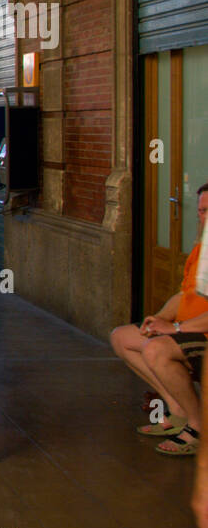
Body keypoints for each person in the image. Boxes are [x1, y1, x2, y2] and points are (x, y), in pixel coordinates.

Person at [112, 182, 208, 456]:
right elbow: (183, 294)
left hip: (201, 334)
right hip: (188, 330)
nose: (205, 217)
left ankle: (199, 426)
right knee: (122, 337)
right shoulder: (202, 249)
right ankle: (178, 409)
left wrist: (176, 328)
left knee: (156, 349)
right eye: (202, 211)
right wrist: (162, 317)